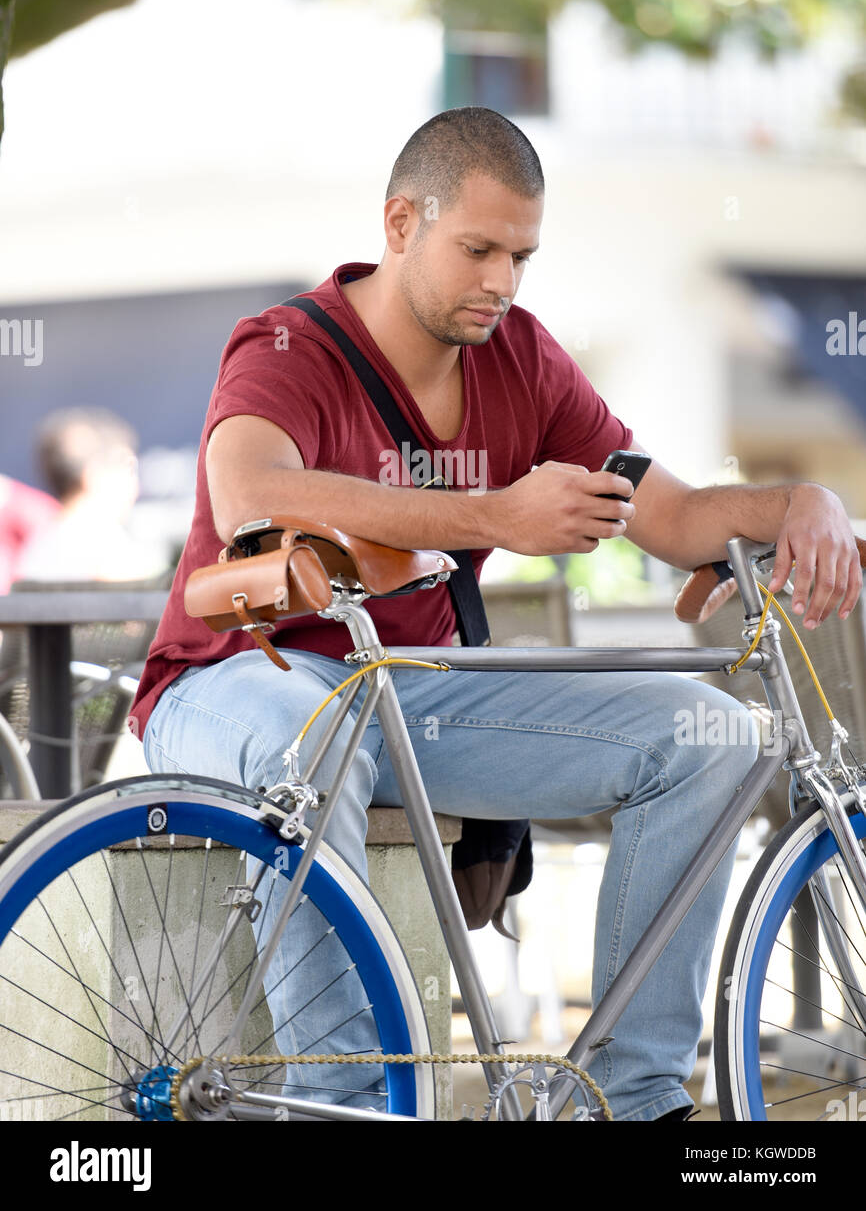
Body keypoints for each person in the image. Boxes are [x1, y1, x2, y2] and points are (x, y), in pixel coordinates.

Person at [130, 106, 862, 1121]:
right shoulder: (289, 344)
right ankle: (348, 1105)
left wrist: (801, 505)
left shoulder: (522, 356)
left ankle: (629, 1098)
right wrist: (494, 514)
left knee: (715, 734)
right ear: (399, 224)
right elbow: (245, 494)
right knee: (320, 727)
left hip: (412, 693)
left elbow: (675, 513)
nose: (501, 281)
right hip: (236, 679)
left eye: (519, 254)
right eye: (475, 248)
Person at [16, 408, 165, 583]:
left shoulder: (35, 550)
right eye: (129, 469)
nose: (136, 487)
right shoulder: (108, 549)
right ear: (95, 475)